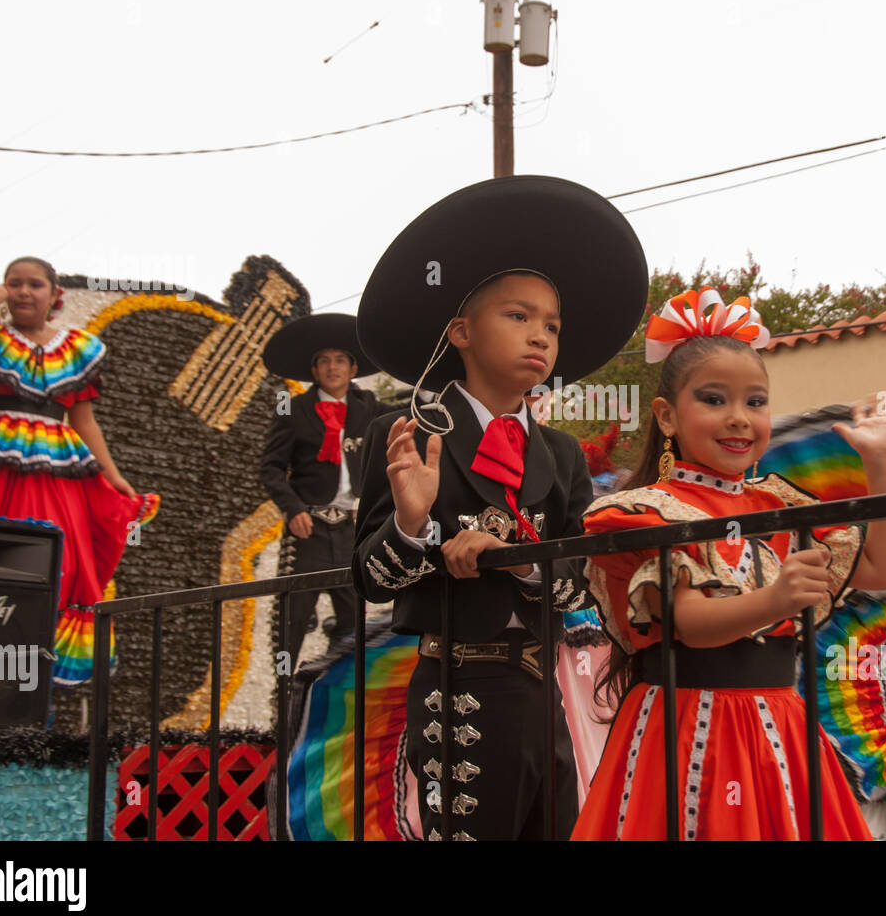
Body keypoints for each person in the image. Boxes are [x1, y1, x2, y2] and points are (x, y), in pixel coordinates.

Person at [350, 175, 648, 841]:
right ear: (460, 329)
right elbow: (370, 579)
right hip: (457, 686)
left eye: (552, 324)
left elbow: (580, 577)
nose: (540, 335)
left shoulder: (563, 454)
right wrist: (413, 523)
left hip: (544, 693)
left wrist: (517, 564)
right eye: (518, 316)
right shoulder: (403, 434)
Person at [570, 287, 886, 840]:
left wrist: (879, 460)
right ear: (668, 416)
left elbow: (885, 568)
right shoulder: (642, 512)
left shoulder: (781, 505)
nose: (738, 418)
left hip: (778, 724)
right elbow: (688, 624)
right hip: (684, 725)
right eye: (713, 399)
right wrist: (775, 600)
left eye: (755, 401)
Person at [0, 259, 158, 685]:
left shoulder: (78, 348)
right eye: (13, 284)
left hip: (54, 465)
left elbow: (84, 418)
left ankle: (28, 684)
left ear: (54, 294)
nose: (22, 291)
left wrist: (113, 476)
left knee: (57, 563)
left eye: (33, 284)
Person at [260, 313, 379, 662]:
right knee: (291, 620)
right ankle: (282, 704)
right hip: (307, 530)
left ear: (353, 369)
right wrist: (293, 508)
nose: (332, 367)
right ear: (314, 371)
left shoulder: (367, 408)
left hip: (349, 530)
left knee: (354, 621)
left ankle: (337, 696)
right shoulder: (294, 410)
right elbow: (270, 468)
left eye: (340, 360)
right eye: (324, 361)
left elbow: (408, 415)